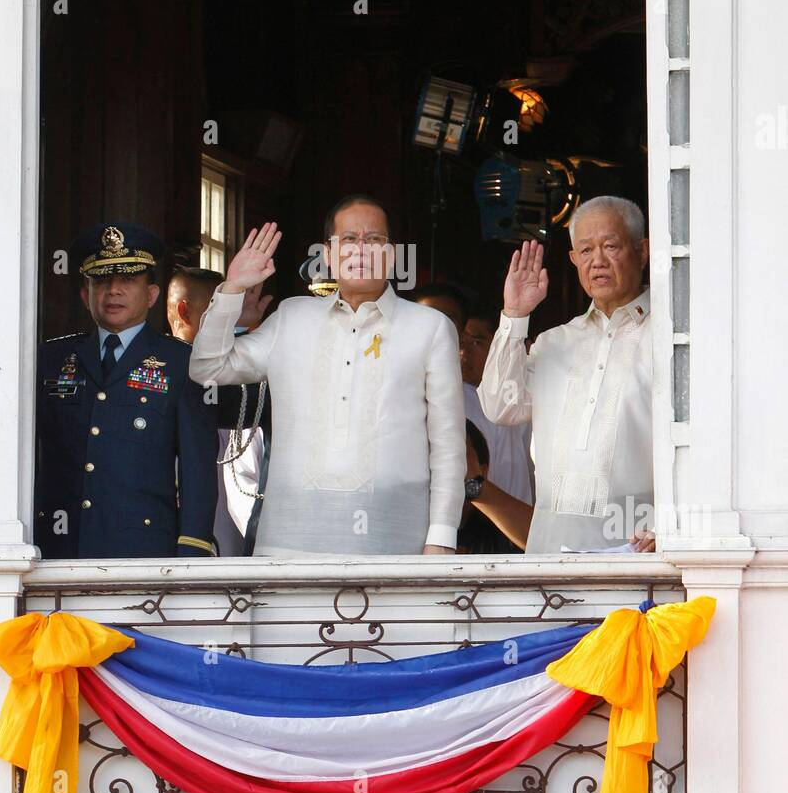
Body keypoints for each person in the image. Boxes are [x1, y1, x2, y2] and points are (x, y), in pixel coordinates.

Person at [189, 196, 466, 557]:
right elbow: (207, 367)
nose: (361, 250)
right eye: (349, 239)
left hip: (395, 543)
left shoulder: (430, 327)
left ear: (393, 254)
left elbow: (447, 444)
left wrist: (442, 537)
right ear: (329, 254)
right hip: (288, 543)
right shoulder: (292, 317)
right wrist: (232, 289)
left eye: (375, 240)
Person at [478, 196, 656, 554]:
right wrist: (514, 316)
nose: (598, 261)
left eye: (610, 246)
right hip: (549, 550)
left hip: (637, 549)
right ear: (574, 260)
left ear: (642, 251)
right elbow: (500, 407)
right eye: (586, 251)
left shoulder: (670, 337)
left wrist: (672, 524)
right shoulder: (553, 342)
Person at [34, 222, 218, 560]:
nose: (113, 291)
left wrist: (192, 548)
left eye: (128, 280)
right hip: (59, 549)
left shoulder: (180, 364)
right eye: (101, 281)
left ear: (151, 295)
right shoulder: (50, 360)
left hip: (144, 554)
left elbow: (198, 467)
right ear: (84, 295)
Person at [167, 265, 269, 556]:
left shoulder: (242, 379)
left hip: (231, 540)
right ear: (185, 311)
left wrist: (240, 331)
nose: (225, 317)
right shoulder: (162, 372)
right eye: (218, 308)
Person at [460, 306, 534, 507]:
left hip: (501, 525)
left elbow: (517, 486)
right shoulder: (450, 396)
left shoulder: (507, 408)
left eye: (476, 342)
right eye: (461, 342)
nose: (463, 352)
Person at [458, 420, 530, 554]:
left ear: (483, 470)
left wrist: (474, 484)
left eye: (459, 457)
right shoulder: (412, 524)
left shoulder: (503, 531)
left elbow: (543, 539)